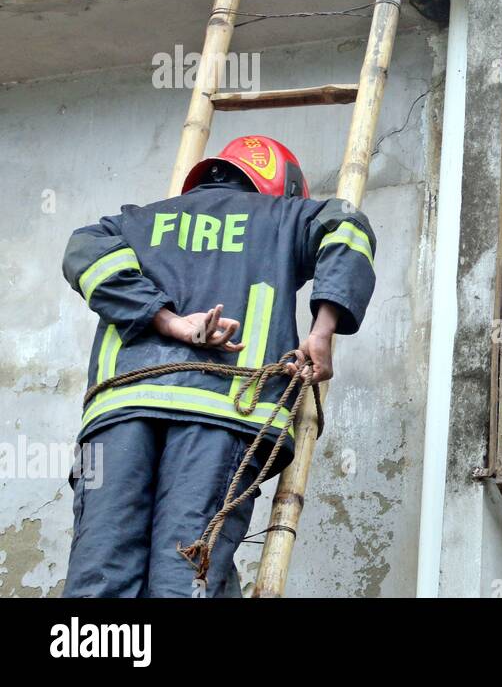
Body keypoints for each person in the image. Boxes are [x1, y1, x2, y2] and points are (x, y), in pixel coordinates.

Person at [60, 135, 376, 597]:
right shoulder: (287, 217)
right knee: (185, 568)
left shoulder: (130, 224)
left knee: (99, 573)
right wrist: (321, 329)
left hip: (119, 417)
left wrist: (165, 320)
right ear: (281, 187)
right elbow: (349, 228)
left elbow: (81, 251)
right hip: (222, 414)